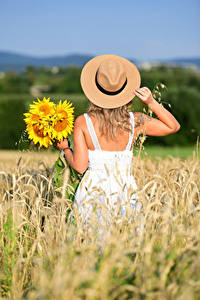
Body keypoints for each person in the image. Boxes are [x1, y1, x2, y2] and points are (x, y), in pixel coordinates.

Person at [55, 54, 180, 245]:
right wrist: (151, 102)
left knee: (89, 245)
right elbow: (173, 126)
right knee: (126, 245)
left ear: (94, 91)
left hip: (92, 194)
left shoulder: (83, 122)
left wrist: (65, 149)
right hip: (125, 191)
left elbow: (80, 167)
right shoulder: (135, 121)